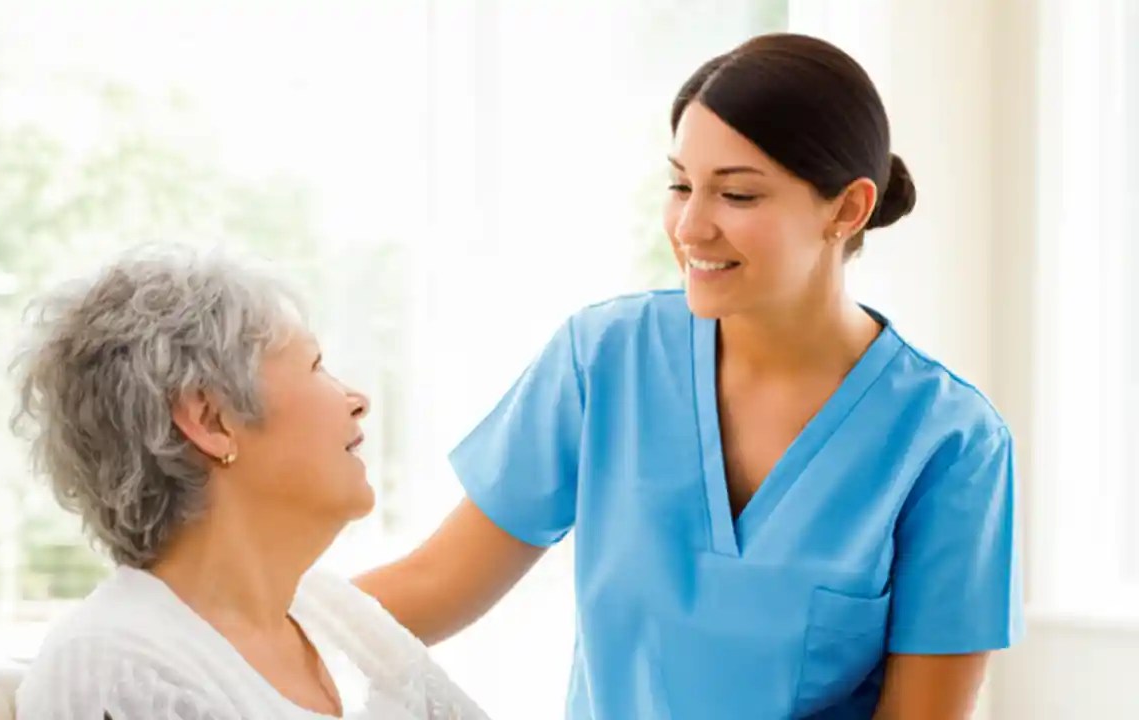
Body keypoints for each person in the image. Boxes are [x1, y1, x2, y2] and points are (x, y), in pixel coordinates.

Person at [357, 33, 1022, 719]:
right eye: (680, 185)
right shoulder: (604, 361)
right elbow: (434, 583)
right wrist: (279, 624)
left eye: (737, 194)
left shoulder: (950, 444)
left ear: (847, 209)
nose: (690, 227)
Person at [12, 247, 488, 720]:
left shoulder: (336, 616)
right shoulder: (110, 667)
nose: (358, 400)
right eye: (316, 365)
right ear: (210, 420)